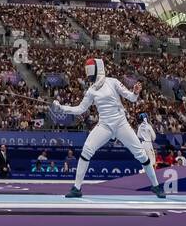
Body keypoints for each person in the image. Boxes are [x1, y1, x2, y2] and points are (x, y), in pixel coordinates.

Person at [51, 58, 165, 199]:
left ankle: (156, 186)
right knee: (86, 150)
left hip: (121, 123)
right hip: (104, 125)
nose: (88, 73)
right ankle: (76, 188)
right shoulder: (91, 90)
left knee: (141, 154)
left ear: (98, 68)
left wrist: (135, 92)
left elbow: (132, 98)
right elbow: (80, 109)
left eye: (90, 69)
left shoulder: (113, 82)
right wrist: (61, 108)